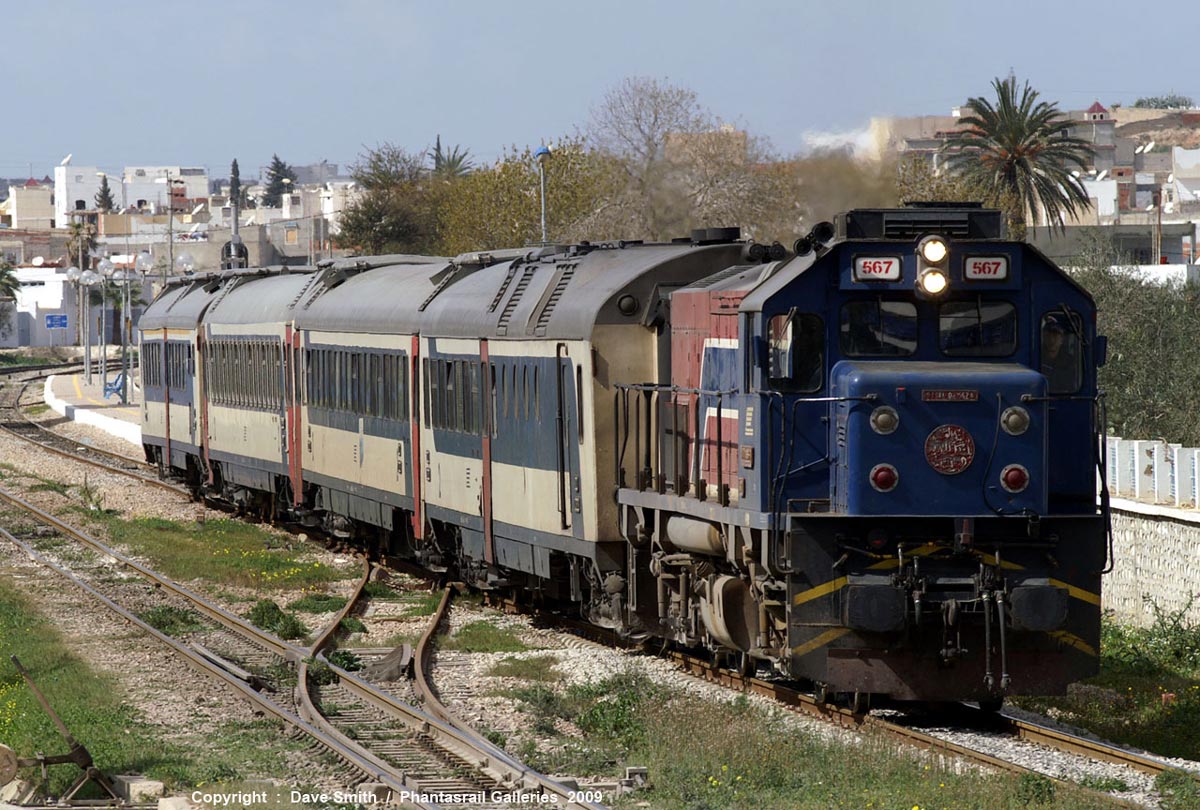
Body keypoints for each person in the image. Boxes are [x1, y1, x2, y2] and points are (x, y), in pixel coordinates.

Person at [1041, 313, 1079, 393]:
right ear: (1043, 337)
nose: (1052, 340)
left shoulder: (1070, 362)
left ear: (1062, 339)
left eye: (1055, 336)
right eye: (1048, 335)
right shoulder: (1037, 358)